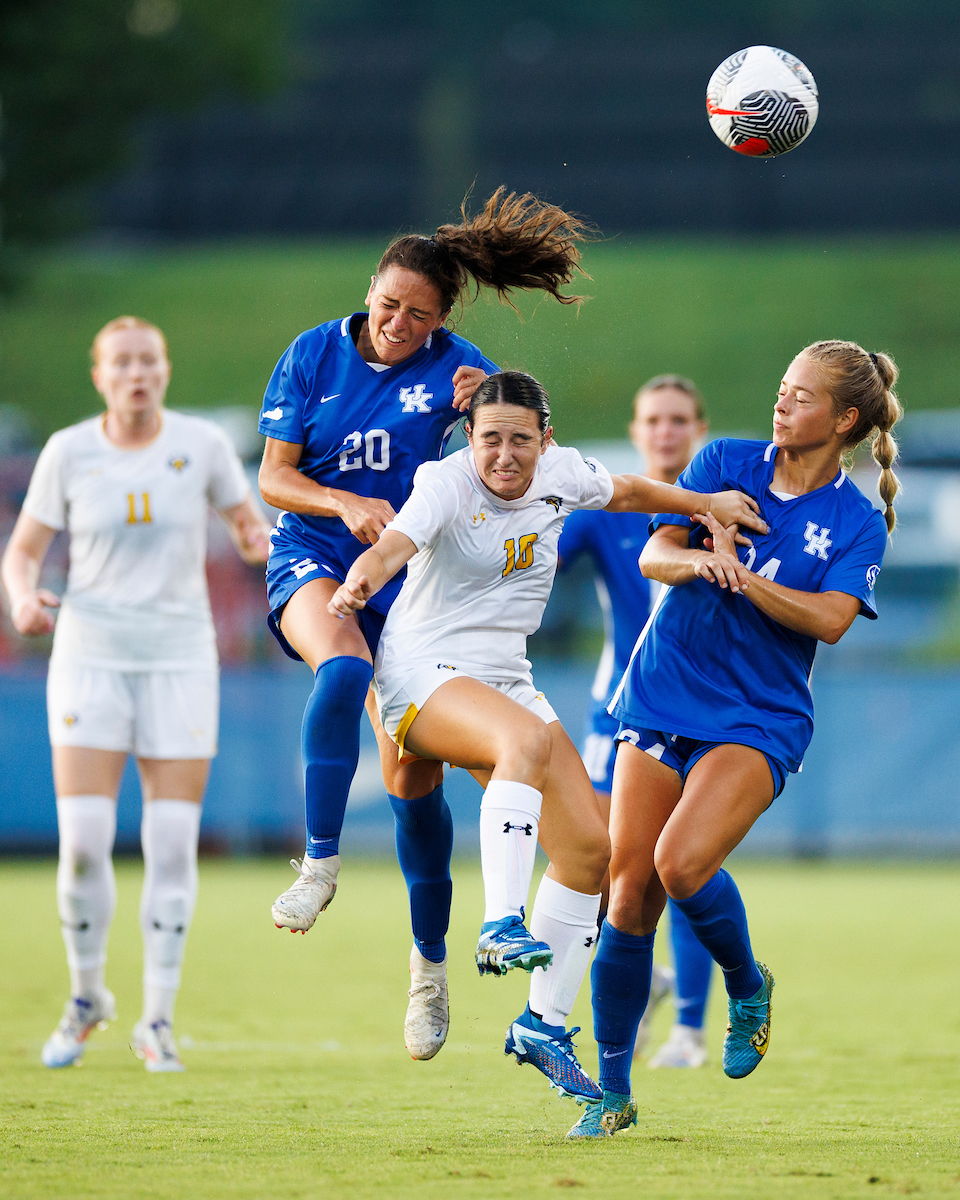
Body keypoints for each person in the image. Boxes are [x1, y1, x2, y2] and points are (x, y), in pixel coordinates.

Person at [327, 370, 767, 1102]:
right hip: (421, 671)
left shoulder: (561, 473)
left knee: (592, 852)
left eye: (520, 440)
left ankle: (541, 1024)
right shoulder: (445, 482)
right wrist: (359, 582)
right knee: (524, 745)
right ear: (471, 439)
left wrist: (703, 502)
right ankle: (501, 922)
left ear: (545, 440)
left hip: (503, 674)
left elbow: (626, 491)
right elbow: (393, 546)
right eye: (491, 438)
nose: (505, 454)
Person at [257, 190, 596, 1060]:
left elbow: (501, 455)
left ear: (443, 319)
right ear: (367, 290)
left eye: (419, 313)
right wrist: (340, 500)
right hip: (318, 556)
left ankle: (429, 965)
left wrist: (484, 416)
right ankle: (320, 865)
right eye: (388, 305)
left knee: (414, 789)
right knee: (337, 669)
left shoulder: (459, 370)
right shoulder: (311, 355)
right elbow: (274, 478)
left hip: (408, 594)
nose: (399, 324)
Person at [568, 340, 901, 1139]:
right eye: (782, 387)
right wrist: (696, 559)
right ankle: (611, 1094)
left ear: (845, 419)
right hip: (660, 692)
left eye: (801, 395)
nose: (782, 402)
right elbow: (653, 552)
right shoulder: (723, 461)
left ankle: (747, 985)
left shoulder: (856, 521)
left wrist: (741, 573)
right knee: (627, 895)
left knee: (680, 865)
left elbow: (829, 620)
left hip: (758, 716)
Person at [0, 316, 271, 1072]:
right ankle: (87, 997)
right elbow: (21, 555)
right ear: (99, 376)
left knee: (172, 846)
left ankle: (156, 1018)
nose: (135, 374)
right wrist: (22, 600)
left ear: (165, 368)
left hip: (182, 659)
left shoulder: (202, 446)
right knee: (83, 847)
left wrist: (259, 542)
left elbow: (249, 524)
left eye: (147, 360)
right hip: (90, 657)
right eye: (120, 363)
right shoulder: (69, 451)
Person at [557, 374, 716, 1069]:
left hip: (699, 708)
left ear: (698, 429)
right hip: (614, 708)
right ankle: (641, 978)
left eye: (678, 419)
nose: (665, 432)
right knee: (601, 862)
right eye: (653, 420)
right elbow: (537, 565)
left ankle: (688, 1029)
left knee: (681, 863)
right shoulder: (604, 509)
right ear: (634, 431)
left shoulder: (723, 505)